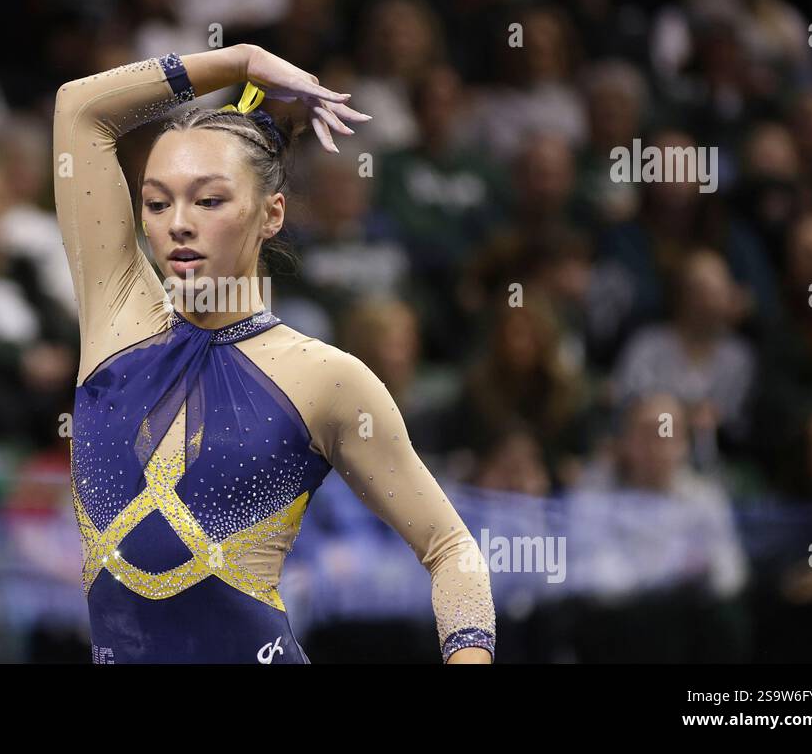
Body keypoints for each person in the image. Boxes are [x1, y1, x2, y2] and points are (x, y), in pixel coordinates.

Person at [52, 43, 495, 663]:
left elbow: (452, 549)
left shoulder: (324, 378)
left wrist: (470, 655)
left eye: (208, 200)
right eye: (157, 203)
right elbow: (80, 110)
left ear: (271, 214)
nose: (178, 223)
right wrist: (237, 62)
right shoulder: (116, 318)